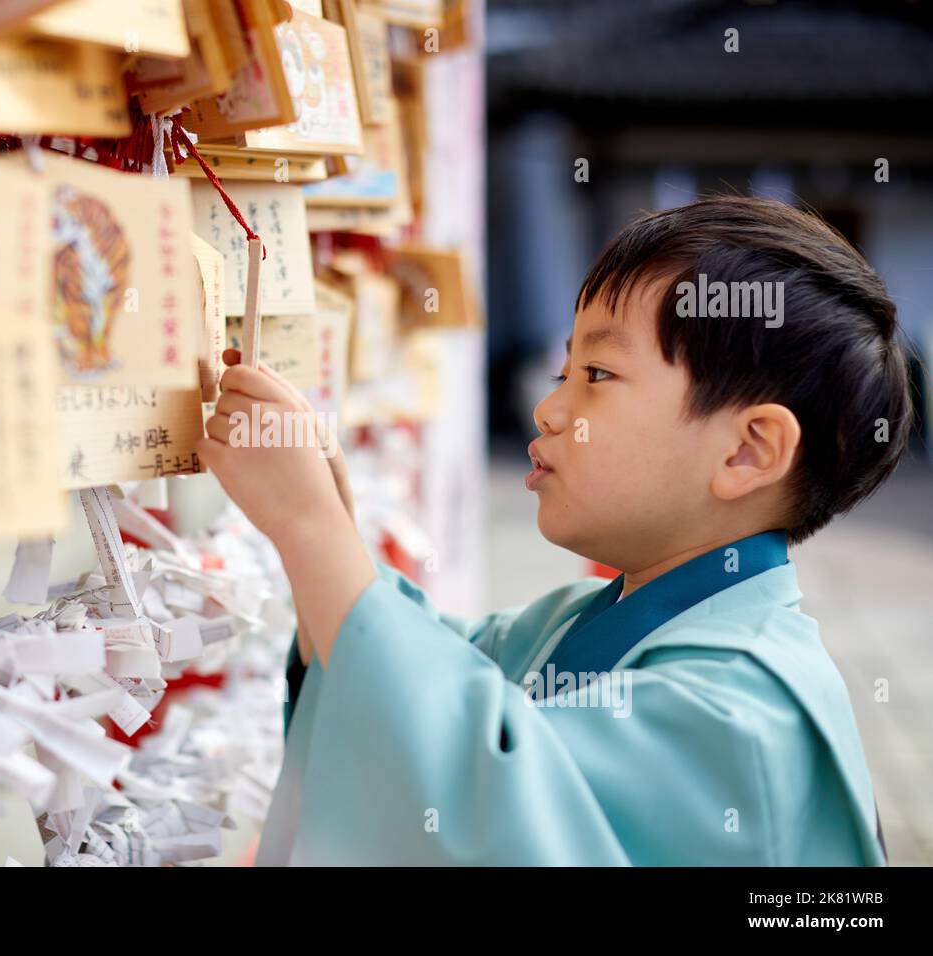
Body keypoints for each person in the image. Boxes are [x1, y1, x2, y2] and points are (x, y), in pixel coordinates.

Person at [196, 197, 913, 865]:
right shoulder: (580, 622)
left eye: (596, 374)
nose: (548, 410)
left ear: (748, 450)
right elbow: (422, 672)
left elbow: (473, 780)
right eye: (562, 369)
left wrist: (308, 525)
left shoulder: (740, 711)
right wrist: (331, 514)